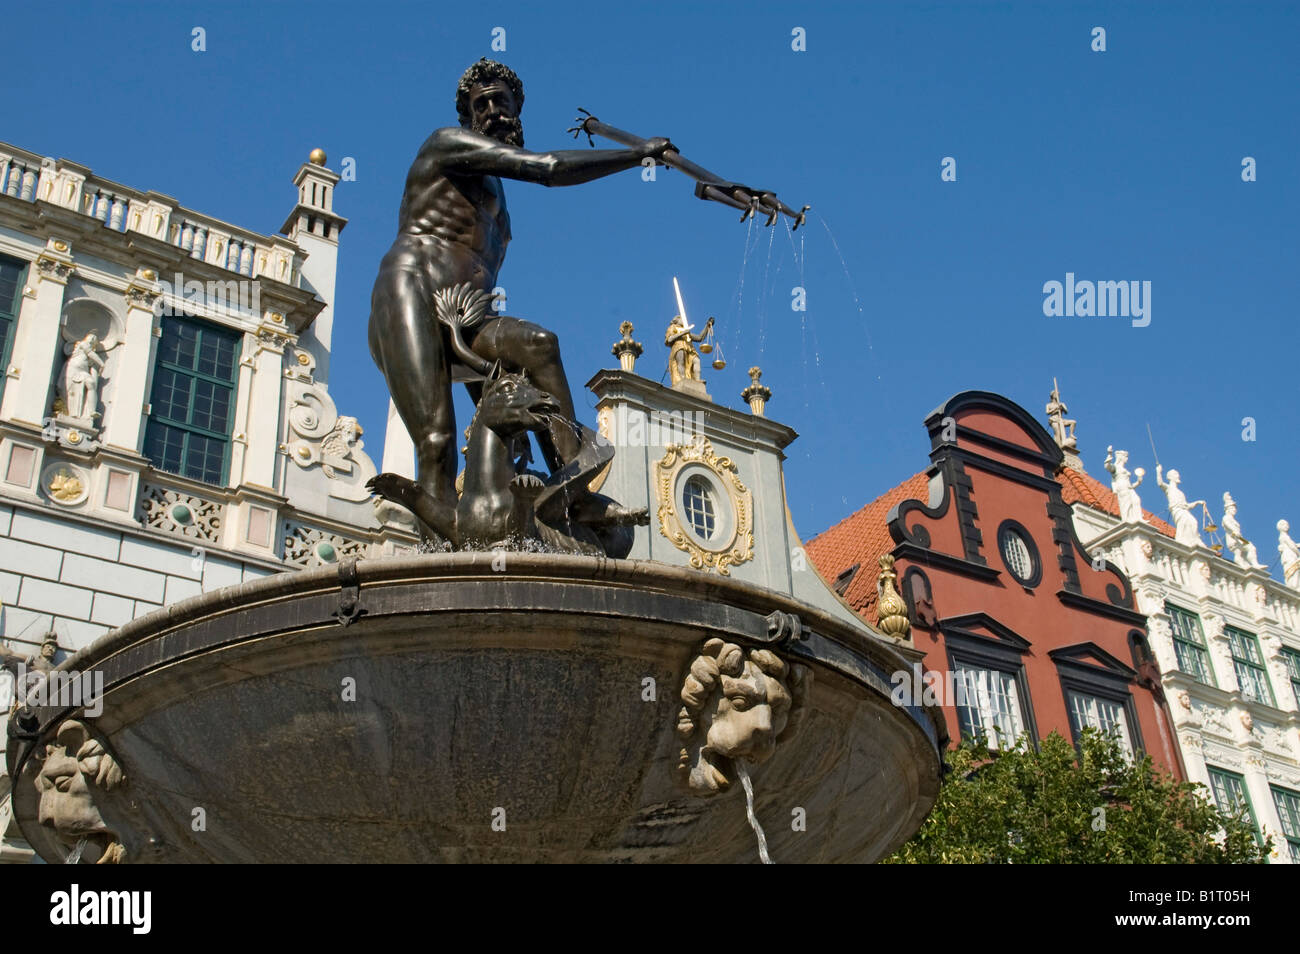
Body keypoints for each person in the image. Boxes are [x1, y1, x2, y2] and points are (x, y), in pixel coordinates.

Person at [368, 58, 675, 511]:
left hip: (466, 314)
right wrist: (636, 155)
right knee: (437, 444)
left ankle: (573, 487)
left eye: (501, 101)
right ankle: (437, 563)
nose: (492, 111)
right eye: (482, 104)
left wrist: (491, 396)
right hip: (407, 294)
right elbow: (548, 167)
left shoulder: (498, 205)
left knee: (538, 345)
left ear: (518, 108)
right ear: (467, 115)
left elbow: (480, 308)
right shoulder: (446, 144)